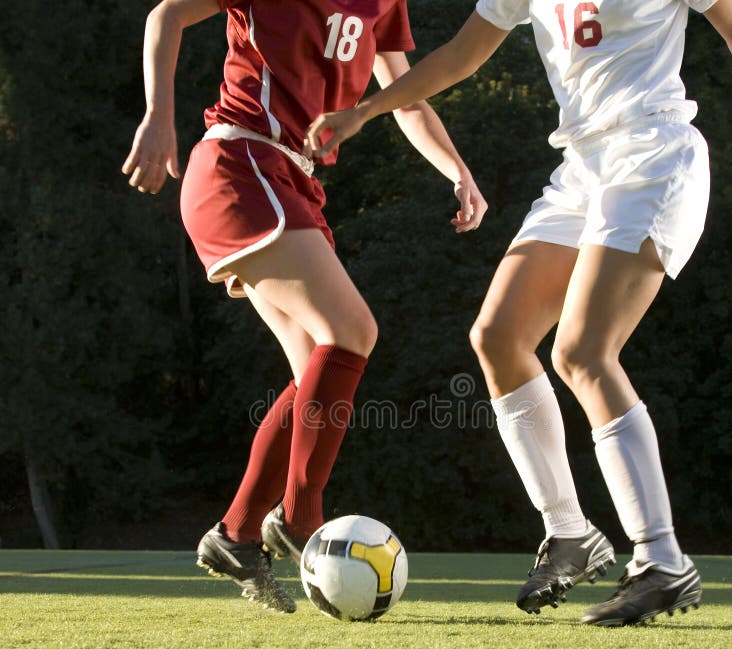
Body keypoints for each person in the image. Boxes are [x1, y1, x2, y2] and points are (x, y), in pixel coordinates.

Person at [305, 0, 732, 625]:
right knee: (497, 336)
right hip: (583, 169)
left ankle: (663, 560)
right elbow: (461, 55)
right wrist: (365, 110)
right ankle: (570, 534)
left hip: (652, 153)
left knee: (582, 353)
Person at [122, 0, 487, 613]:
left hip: (289, 178)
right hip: (239, 161)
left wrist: (457, 169)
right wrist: (159, 116)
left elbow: (406, 97)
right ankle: (299, 518)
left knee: (315, 370)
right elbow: (166, 15)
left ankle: (237, 534)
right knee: (352, 331)